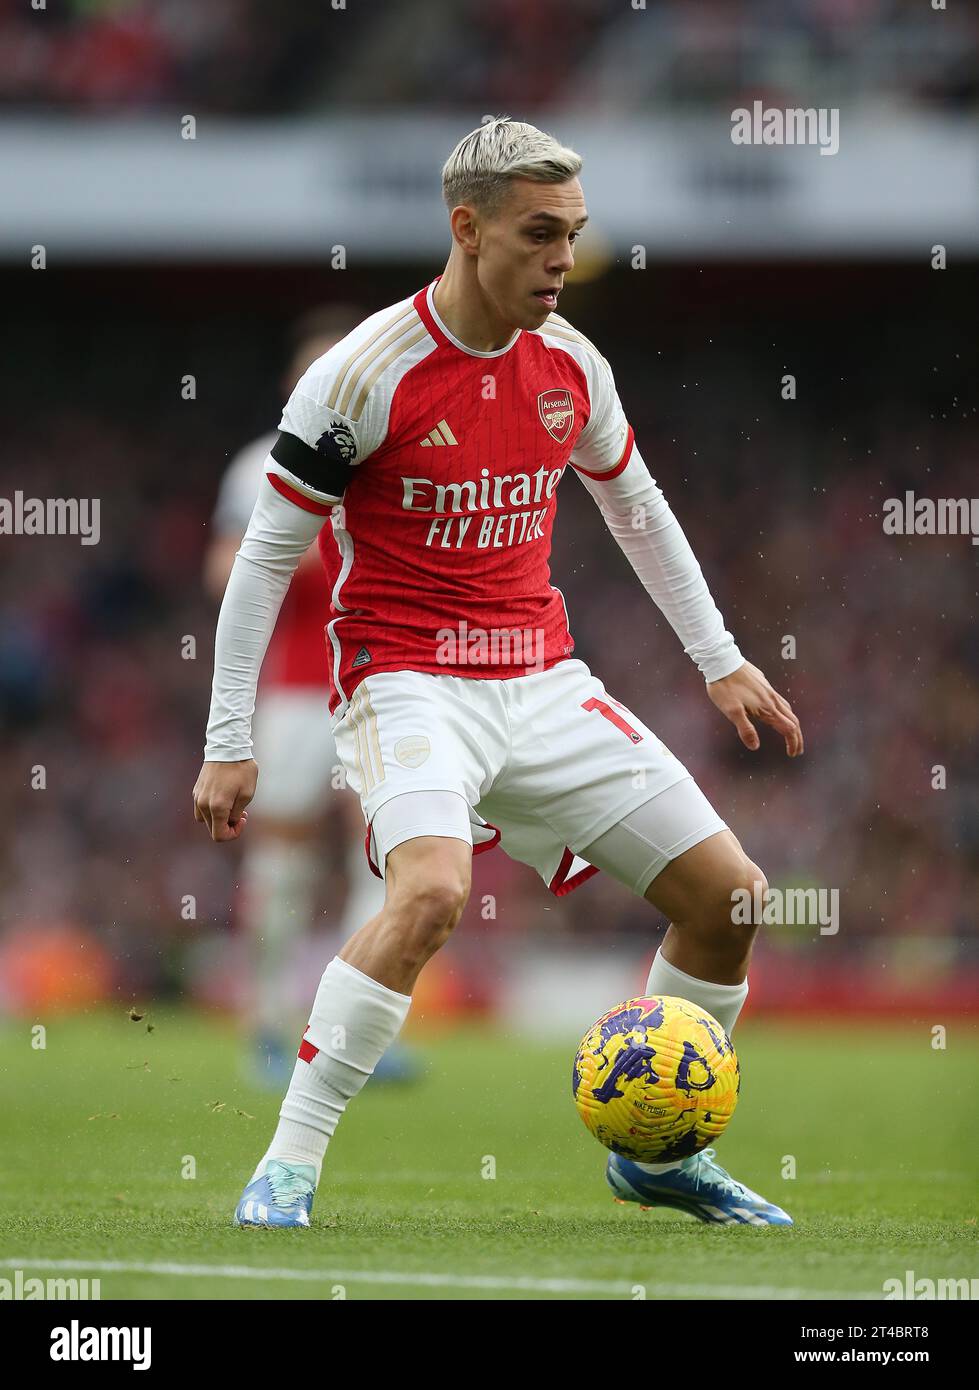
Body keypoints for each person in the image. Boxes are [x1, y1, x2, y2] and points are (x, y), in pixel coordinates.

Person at [194, 116, 803, 1229]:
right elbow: (267, 558)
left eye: (572, 232)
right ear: (466, 229)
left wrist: (720, 660)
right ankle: (286, 1164)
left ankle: (661, 1158)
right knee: (427, 891)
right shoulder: (361, 376)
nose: (563, 258)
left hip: (543, 678)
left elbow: (637, 508)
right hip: (406, 678)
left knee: (731, 899)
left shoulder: (571, 364)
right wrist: (227, 737)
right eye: (538, 234)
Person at [204, 307, 415, 1086]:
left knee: (392, 861)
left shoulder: (395, 454)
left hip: (382, 690)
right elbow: (222, 572)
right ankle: (265, 1027)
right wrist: (303, 553)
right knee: (283, 865)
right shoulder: (263, 463)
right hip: (297, 692)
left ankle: (360, 1036)